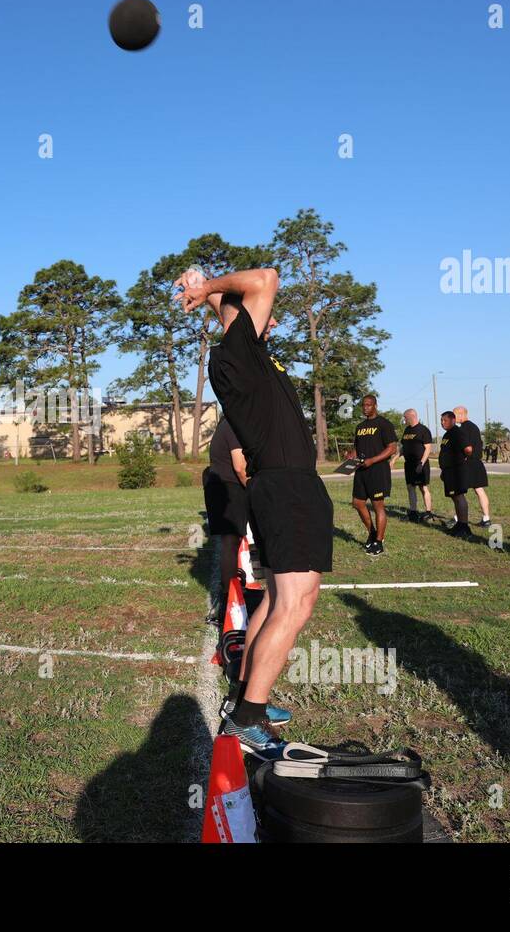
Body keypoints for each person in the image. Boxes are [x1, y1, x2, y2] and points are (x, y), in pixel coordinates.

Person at [179, 266, 334, 758]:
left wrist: (206, 294)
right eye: (262, 320)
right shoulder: (236, 354)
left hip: (289, 485)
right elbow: (266, 277)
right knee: (295, 603)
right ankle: (247, 718)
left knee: (281, 597)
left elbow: (233, 308)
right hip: (285, 487)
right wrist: (209, 289)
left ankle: (247, 698)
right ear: (243, 322)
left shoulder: (244, 352)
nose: (272, 324)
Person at [202, 416, 251, 621]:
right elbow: (240, 466)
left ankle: (230, 597)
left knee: (232, 541)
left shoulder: (227, 423)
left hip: (222, 486)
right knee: (230, 542)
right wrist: (255, 489)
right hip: (228, 487)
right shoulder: (233, 424)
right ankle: (228, 603)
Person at [348, 394, 397, 555]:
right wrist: (351, 456)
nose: (365, 408)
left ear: (375, 405)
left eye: (368, 405)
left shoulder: (384, 424)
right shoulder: (360, 426)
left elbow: (392, 448)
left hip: (378, 470)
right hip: (361, 471)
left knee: (378, 506)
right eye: (363, 405)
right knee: (357, 503)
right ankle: (372, 532)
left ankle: (379, 542)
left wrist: (372, 460)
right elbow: (357, 448)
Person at [453, 406, 493, 527]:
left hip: (468, 463)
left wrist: (462, 458)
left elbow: (466, 447)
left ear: (461, 414)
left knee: (459, 492)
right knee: (479, 490)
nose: (454, 419)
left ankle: (458, 518)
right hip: (477, 463)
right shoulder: (474, 427)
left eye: (454, 416)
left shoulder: (463, 428)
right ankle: (486, 518)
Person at [437, 410, 473, 538]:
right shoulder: (447, 434)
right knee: (454, 497)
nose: (442, 423)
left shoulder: (457, 432)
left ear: (453, 420)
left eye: (444, 420)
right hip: (448, 471)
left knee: (459, 497)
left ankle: (464, 526)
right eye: (441, 420)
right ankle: (459, 524)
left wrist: (462, 459)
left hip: (457, 470)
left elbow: (468, 449)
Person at [400, 408, 434, 522]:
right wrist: (394, 458)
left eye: (405, 417)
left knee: (423, 487)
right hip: (408, 464)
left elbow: (428, 448)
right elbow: (403, 447)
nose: (404, 420)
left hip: (420, 463)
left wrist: (421, 463)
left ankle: (428, 512)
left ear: (410, 416)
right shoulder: (406, 430)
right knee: (410, 487)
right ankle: (413, 512)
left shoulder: (423, 430)